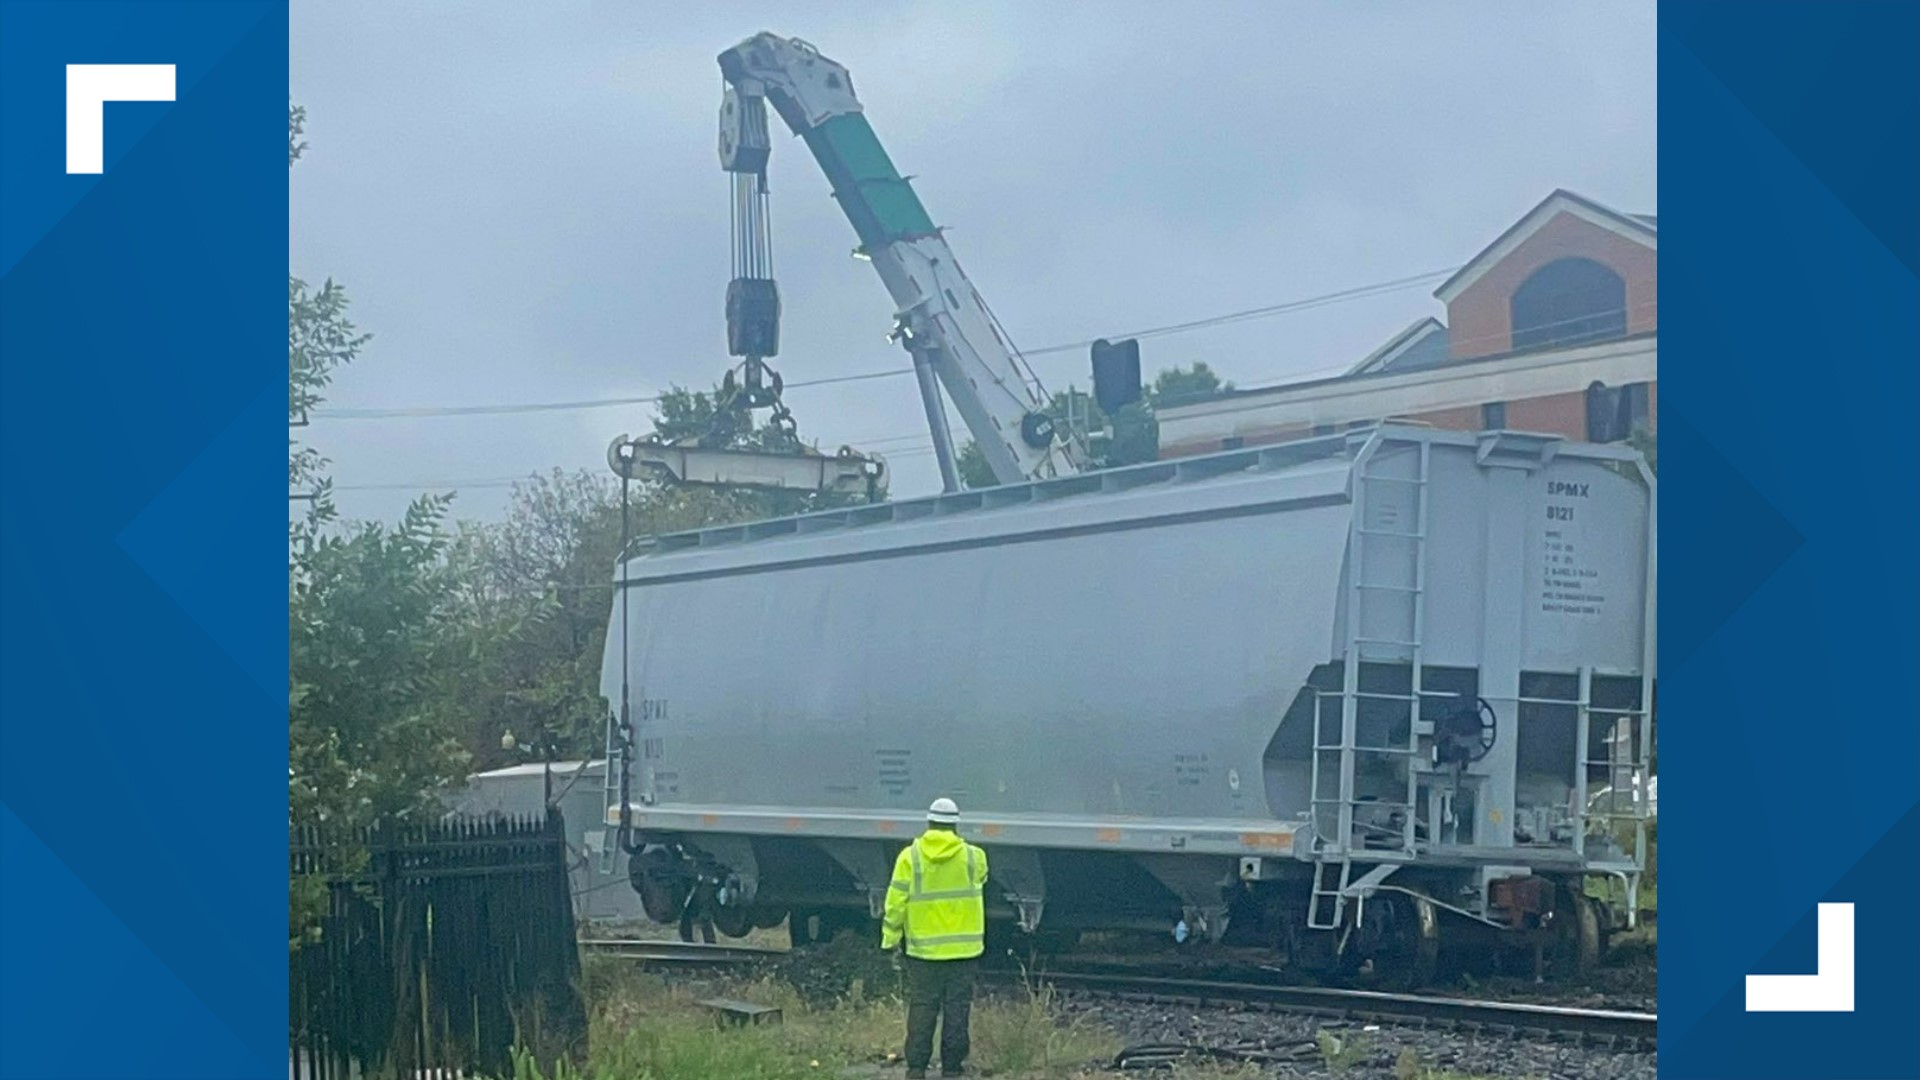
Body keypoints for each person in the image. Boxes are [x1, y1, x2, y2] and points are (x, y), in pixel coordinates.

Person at [882, 797, 988, 1079]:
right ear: (955, 825)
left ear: (928, 822)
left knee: (922, 1008)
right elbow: (982, 878)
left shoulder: (909, 857)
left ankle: (916, 1068)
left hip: (922, 952)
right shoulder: (974, 856)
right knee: (957, 1010)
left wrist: (890, 938)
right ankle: (952, 1069)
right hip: (964, 951)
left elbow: (895, 903)